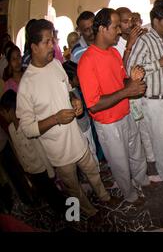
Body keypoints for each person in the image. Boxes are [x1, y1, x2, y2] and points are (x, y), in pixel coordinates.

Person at [16, 19, 113, 218]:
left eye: (53, 40)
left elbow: (68, 89)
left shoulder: (56, 65)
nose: (53, 45)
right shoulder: (26, 85)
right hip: (58, 152)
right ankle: (89, 213)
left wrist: (74, 99)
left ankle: (105, 198)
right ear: (33, 47)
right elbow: (27, 129)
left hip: (77, 138)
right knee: (73, 188)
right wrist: (56, 118)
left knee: (93, 172)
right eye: (47, 42)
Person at [78, 8, 150, 205]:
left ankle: (141, 179)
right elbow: (93, 105)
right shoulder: (87, 61)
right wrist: (128, 91)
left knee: (136, 152)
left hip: (125, 112)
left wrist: (133, 79)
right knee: (120, 164)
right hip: (108, 123)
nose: (119, 31)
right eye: (116, 26)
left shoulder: (112, 53)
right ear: (102, 29)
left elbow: (121, 83)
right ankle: (129, 194)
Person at [126, 2, 163, 185]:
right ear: (155, 21)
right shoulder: (145, 40)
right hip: (154, 101)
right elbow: (131, 69)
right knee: (161, 140)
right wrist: (160, 63)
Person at [0, 90, 66, 216]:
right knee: (44, 193)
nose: (2, 116)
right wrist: (25, 168)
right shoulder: (10, 129)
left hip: (42, 168)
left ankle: (64, 211)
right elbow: (18, 150)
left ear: (11, 110)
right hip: (30, 169)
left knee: (52, 192)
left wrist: (50, 171)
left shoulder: (28, 127)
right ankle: (57, 211)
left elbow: (40, 149)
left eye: (3, 112)